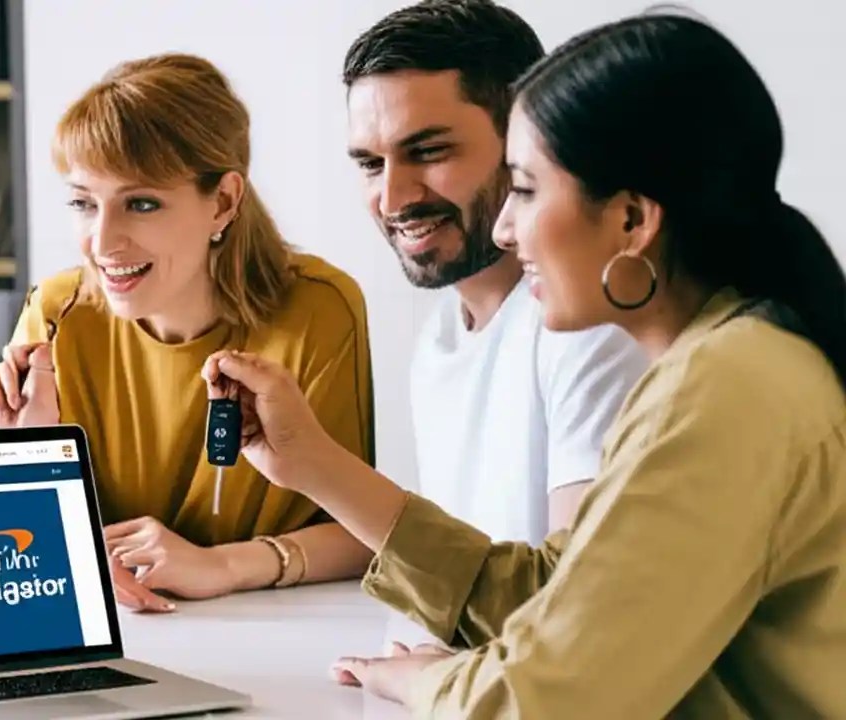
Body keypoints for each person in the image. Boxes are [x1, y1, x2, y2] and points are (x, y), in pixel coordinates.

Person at [206, 10, 846, 717]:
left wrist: (426, 681)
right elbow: (565, 593)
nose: (508, 226)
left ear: (633, 220)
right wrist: (309, 465)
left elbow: (544, 700)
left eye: (528, 189)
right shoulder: (728, 363)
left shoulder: (724, 391)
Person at [0, 53, 376, 613]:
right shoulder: (56, 313)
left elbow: (368, 531)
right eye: (83, 203)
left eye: (141, 203)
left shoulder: (317, 309)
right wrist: (25, 460)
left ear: (223, 201)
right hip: (116, 634)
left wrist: (223, 565)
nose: (102, 242)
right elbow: (8, 547)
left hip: (275, 629)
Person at [340, 0, 646, 645]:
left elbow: (579, 612)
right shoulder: (439, 340)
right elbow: (476, 597)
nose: (392, 198)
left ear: (525, 141)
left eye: (428, 151)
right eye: (371, 164)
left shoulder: (593, 325)